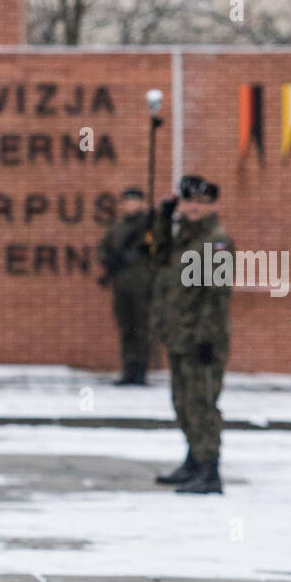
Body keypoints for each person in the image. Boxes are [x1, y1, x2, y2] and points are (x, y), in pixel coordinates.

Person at [149, 175, 232, 494]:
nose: (194, 208)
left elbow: (217, 296)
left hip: (202, 340)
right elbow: (155, 256)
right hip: (180, 336)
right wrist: (161, 219)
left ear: (214, 205)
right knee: (183, 403)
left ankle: (209, 472)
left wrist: (206, 340)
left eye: (201, 202)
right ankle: (194, 461)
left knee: (202, 404)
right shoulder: (184, 239)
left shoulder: (215, 242)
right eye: (187, 202)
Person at [97, 187, 154, 385]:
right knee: (126, 328)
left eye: (134, 201)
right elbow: (103, 251)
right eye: (127, 201)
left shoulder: (148, 226)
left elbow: (156, 249)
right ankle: (128, 370)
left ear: (141, 203)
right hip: (121, 285)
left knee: (141, 328)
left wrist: (142, 252)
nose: (130, 205)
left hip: (142, 285)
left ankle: (141, 371)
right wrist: (111, 261)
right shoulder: (117, 228)